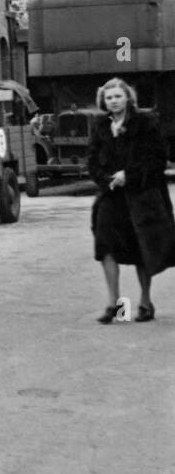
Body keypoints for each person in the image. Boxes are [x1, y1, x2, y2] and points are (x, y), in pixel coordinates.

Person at [86, 77, 175, 323]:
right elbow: (92, 160)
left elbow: (158, 158)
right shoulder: (101, 126)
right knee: (105, 245)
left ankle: (145, 302)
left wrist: (130, 175)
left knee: (141, 246)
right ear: (103, 101)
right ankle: (114, 303)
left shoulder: (146, 123)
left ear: (128, 98)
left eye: (118, 96)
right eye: (109, 98)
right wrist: (106, 180)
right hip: (111, 195)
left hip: (142, 195)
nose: (113, 101)